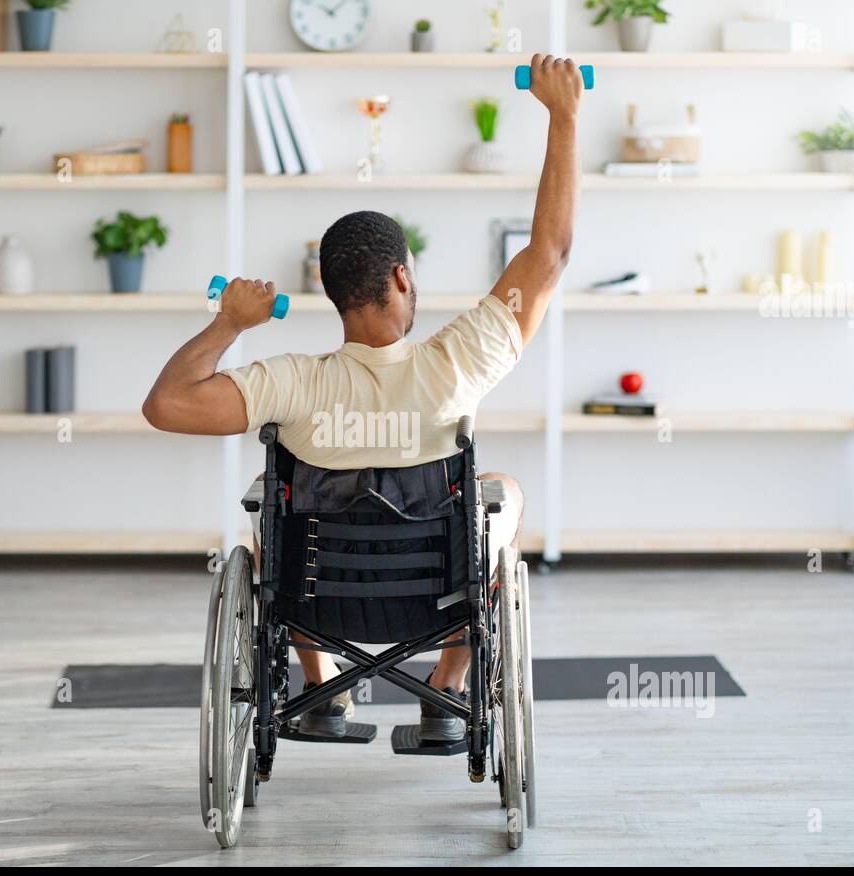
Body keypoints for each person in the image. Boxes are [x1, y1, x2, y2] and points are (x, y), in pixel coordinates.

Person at [144, 54, 582, 739]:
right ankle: (447, 686)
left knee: (273, 502)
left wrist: (229, 322)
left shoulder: (290, 382)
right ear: (403, 280)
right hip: (436, 601)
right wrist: (564, 115)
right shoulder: (459, 361)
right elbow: (550, 253)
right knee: (505, 492)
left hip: (320, 601)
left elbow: (166, 405)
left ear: (331, 293)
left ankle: (322, 690)